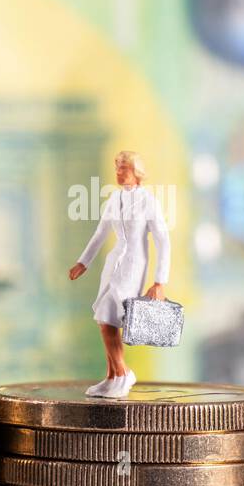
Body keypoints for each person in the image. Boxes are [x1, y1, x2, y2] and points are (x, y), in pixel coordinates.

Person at [69, 150, 171, 398]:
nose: (119, 172)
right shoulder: (114, 199)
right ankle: (112, 376)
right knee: (107, 318)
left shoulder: (149, 201)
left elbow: (163, 240)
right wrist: (83, 262)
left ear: (136, 172)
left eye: (123, 168)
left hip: (135, 264)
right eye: (117, 168)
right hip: (114, 262)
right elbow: (100, 233)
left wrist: (160, 281)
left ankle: (124, 373)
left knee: (108, 316)